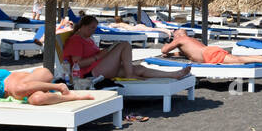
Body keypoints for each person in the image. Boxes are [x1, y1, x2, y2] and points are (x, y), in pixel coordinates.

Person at [64, 16, 192, 80]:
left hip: (99, 67)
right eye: (92, 28)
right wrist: (98, 56)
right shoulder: (76, 40)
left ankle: (174, 74)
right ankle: (130, 75)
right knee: (124, 44)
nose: (93, 31)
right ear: (83, 27)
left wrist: (105, 54)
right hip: (89, 74)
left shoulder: (87, 39)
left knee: (140, 68)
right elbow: (77, 64)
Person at [0, 52, 97, 105]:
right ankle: (71, 96)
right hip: (28, 92)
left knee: (19, 88)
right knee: (37, 99)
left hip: (38, 76)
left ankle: (59, 86)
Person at [160, 28, 262, 68]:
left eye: (174, 33)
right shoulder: (189, 41)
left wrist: (168, 43)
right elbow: (187, 54)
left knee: (238, 60)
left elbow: (164, 50)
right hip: (210, 51)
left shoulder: (179, 39)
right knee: (237, 58)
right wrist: (171, 55)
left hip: (209, 55)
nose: (173, 34)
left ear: (178, 34)